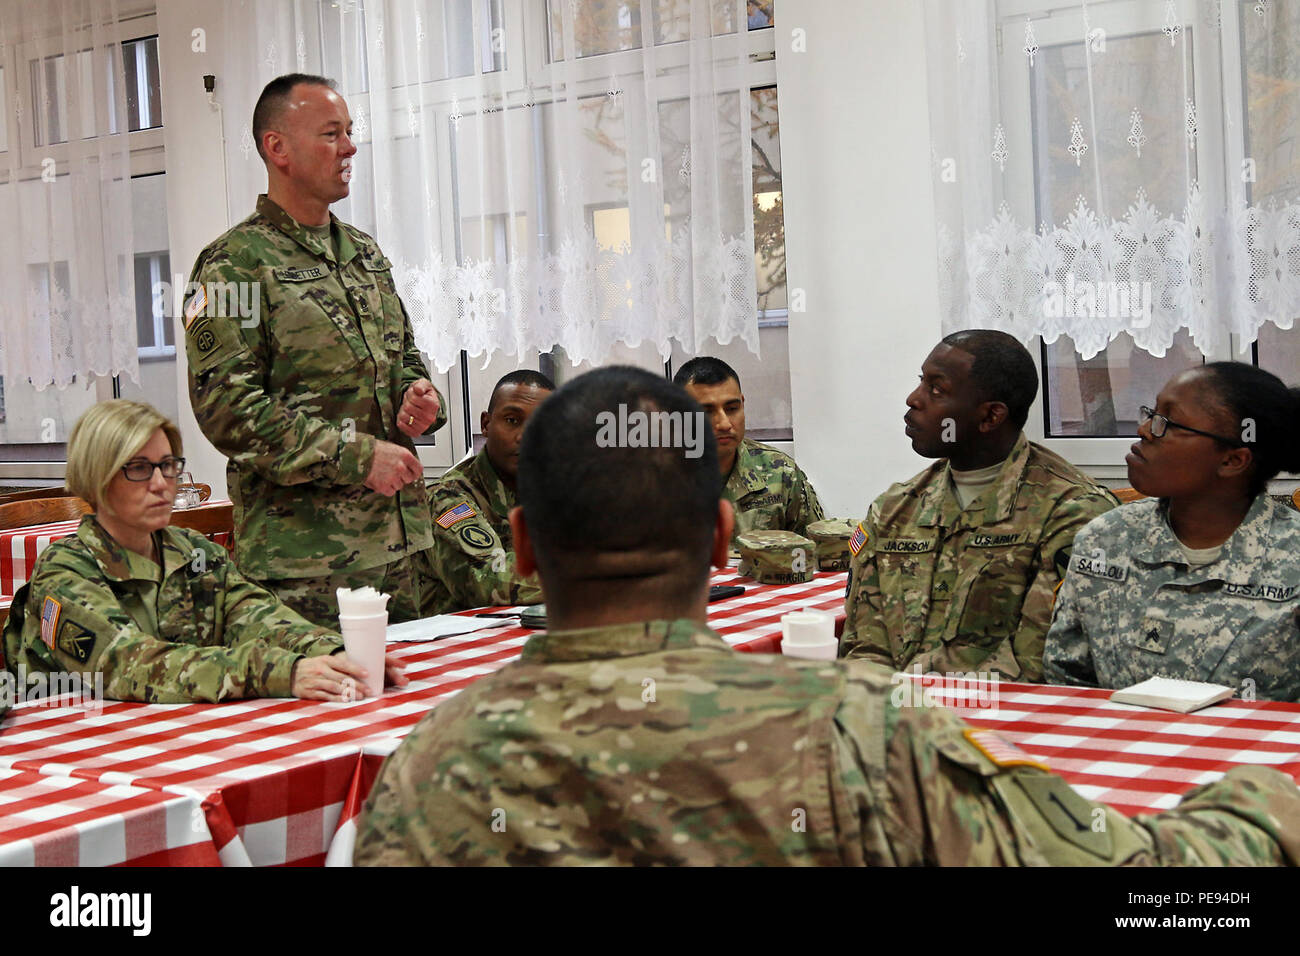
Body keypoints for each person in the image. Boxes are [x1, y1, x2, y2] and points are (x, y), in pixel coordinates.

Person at [353, 366, 1300, 866]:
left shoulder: (422, 771)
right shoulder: (858, 737)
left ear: (521, 547)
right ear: (725, 539)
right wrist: (1263, 801)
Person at [185, 73, 447, 627]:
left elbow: (402, 356)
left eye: (350, 132)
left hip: (398, 547)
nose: (350, 147)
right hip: (302, 565)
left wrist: (418, 397)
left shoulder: (364, 253)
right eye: (332, 133)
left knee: (407, 709)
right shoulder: (233, 265)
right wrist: (356, 459)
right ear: (276, 147)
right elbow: (230, 413)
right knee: (324, 713)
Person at [0, 401, 406, 711]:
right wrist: (282, 671)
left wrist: (335, 654)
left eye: (168, 465)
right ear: (98, 476)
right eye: (138, 468)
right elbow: (127, 665)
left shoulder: (193, 552)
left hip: (167, 732)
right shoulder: (65, 572)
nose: (162, 484)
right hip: (69, 753)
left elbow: (257, 616)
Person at [839, 331, 1117, 682]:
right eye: (920, 382)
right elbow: (864, 645)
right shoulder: (894, 510)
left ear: (990, 417)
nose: (913, 399)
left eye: (936, 389)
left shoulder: (1071, 513)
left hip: (1007, 718)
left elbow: (1038, 661)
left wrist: (917, 698)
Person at [1045, 364, 1300, 699]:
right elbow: (1066, 679)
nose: (1144, 429)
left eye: (1168, 422)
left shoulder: (1291, 556)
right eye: (1151, 413)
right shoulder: (1105, 539)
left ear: (1233, 460)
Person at [423, 370, 553, 612]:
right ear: (486, 424)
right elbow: (485, 581)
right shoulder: (447, 497)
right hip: (451, 642)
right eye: (512, 420)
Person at [673, 356, 824, 539]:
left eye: (732, 408)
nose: (724, 424)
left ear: (742, 404)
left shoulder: (780, 473)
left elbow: (816, 553)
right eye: (707, 412)